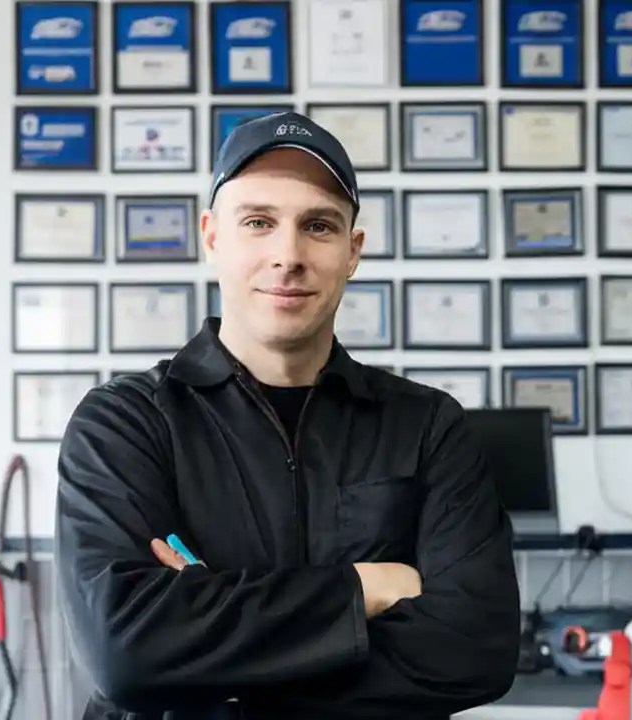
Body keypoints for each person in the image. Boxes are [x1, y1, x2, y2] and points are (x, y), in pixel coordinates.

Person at [55, 111, 521, 719]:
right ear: (212, 237)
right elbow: (124, 651)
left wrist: (211, 658)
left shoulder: (428, 427)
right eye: (258, 222)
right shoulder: (124, 424)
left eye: (318, 226)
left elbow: (476, 648)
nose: (288, 255)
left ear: (353, 251)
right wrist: (365, 588)